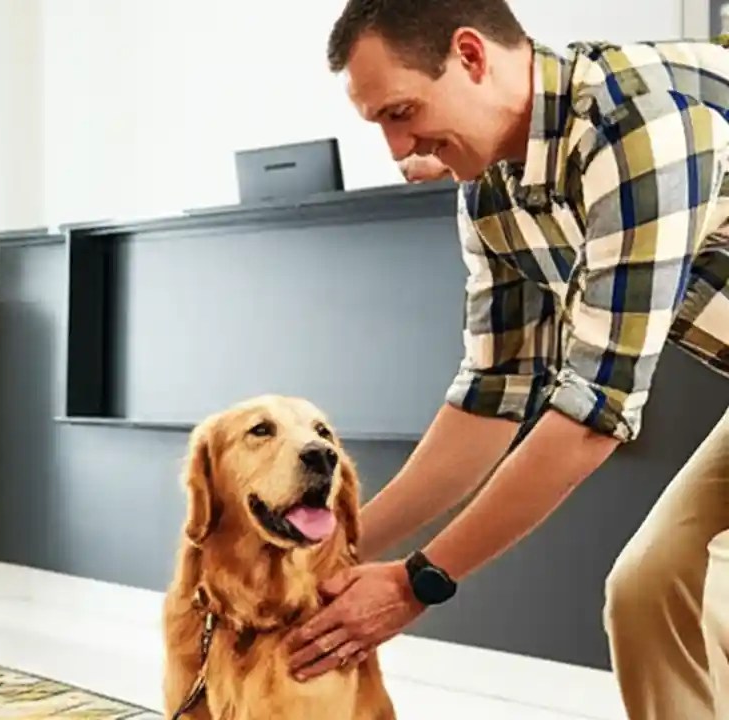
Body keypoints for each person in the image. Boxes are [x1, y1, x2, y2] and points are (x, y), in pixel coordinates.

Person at [280, 1, 729, 718]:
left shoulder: (638, 122)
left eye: (403, 111)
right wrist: (341, 544)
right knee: (649, 590)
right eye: (383, 126)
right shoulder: (493, 190)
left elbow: (593, 410)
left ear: (471, 56)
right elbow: (493, 395)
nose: (403, 155)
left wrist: (416, 583)